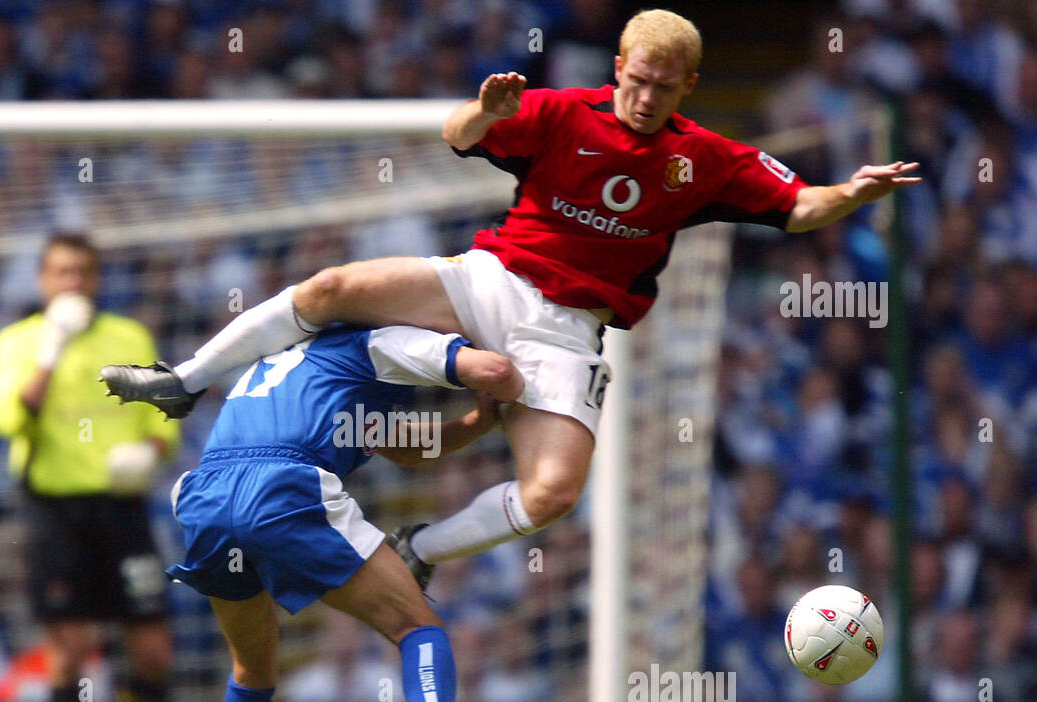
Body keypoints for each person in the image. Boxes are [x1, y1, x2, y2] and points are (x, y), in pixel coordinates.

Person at [101, 8, 921, 589]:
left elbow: (800, 204)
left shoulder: (706, 158)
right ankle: (185, 377)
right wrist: (482, 110)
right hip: (488, 280)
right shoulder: (561, 113)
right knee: (334, 286)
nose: (646, 98)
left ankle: (420, 545)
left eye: (664, 88)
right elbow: (458, 138)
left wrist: (850, 191)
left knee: (553, 494)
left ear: (688, 85)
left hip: (567, 332)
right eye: (637, 81)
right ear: (618, 68)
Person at [105, 323, 521, 702]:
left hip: (208, 493)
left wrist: (475, 423)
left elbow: (407, 449)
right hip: (283, 481)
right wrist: (515, 371)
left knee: (252, 672)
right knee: (417, 627)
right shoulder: (375, 342)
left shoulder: (278, 361)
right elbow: (490, 370)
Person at [0, 233, 177, 702]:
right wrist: (50, 352)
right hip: (54, 509)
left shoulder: (129, 338)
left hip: (120, 509)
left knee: (152, 653)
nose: (74, 283)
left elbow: (163, 413)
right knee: (66, 656)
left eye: (84, 272)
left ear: (97, 278)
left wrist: (152, 449)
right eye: (62, 272)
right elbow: (7, 418)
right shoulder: (17, 342)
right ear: (43, 281)